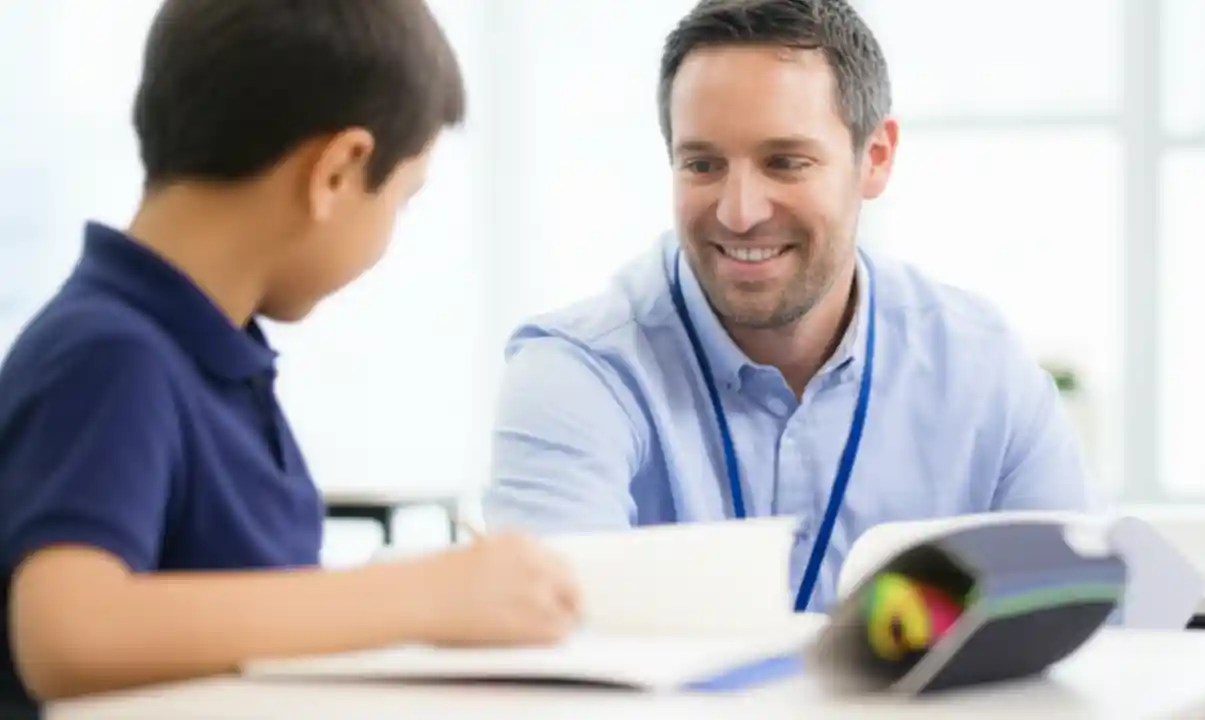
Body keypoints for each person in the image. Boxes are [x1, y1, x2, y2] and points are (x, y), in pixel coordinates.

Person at [0, 0, 578, 710]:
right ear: (337, 171)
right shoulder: (109, 356)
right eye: (403, 200)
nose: (393, 231)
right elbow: (71, 634)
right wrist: (423, 593)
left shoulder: (211, 355)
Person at [483, 0, 1093, 613]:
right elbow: (548, 647)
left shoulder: (980, 366)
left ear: (875, 157)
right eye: (703, 164)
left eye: (785, 163)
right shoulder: (580, 371)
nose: (739, 212)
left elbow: (1083, 621)